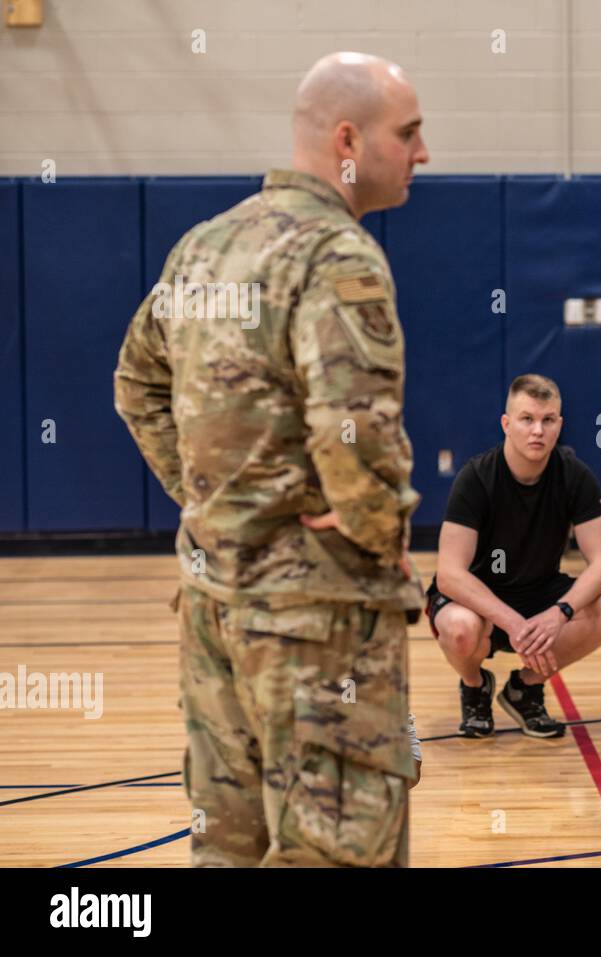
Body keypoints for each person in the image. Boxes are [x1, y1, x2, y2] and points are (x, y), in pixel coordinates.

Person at [113, 52, 427, 866]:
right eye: (410, 133)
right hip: (318, 619)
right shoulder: (339, 256)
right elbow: (352, 429)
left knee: (228, 846)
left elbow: (134, 382)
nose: (422, 153)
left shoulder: (204, 247)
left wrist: (213, 499)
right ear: (349, 139)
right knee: (335, 848)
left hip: (212, 601)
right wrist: (375, 527)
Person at [428, 374, 601, 738]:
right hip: (478, 597)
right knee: (461, 628)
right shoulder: (476, 478)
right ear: (506, 423)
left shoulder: (575, 475)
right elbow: (449, 575)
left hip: (540, 593)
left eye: (548, 420)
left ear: (559, 425)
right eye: (527, 419)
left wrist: (559, 613)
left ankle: (524, 689)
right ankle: (474, 686)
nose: (538, 431)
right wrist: (514, 624)